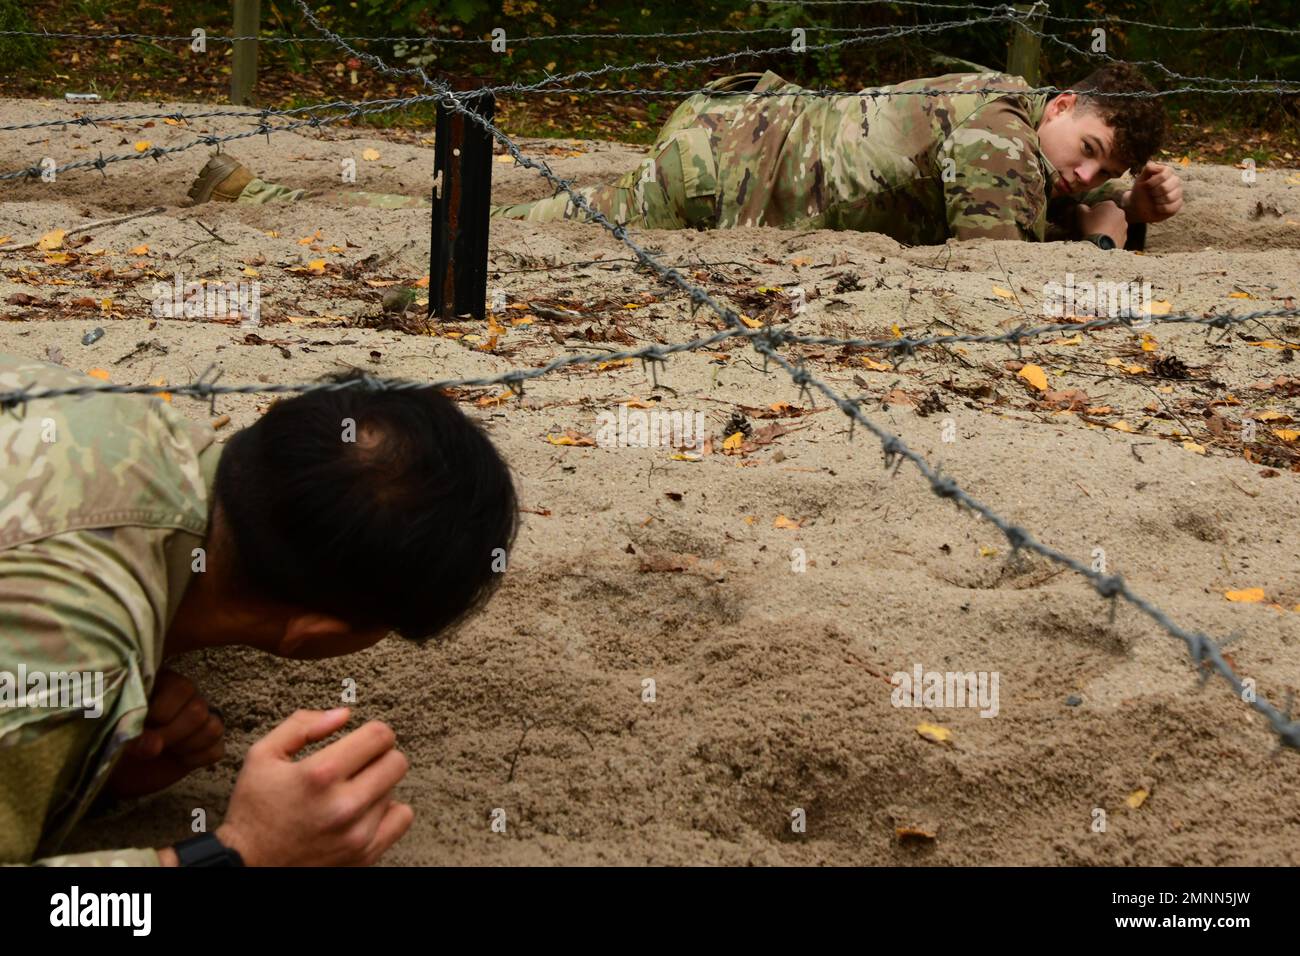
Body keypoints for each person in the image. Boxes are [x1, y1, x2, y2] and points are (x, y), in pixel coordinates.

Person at [0, 353, 518, 866]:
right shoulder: (76, 642)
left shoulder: (133, 424)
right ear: (313, 634)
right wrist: (242, 853)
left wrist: (85, 773)